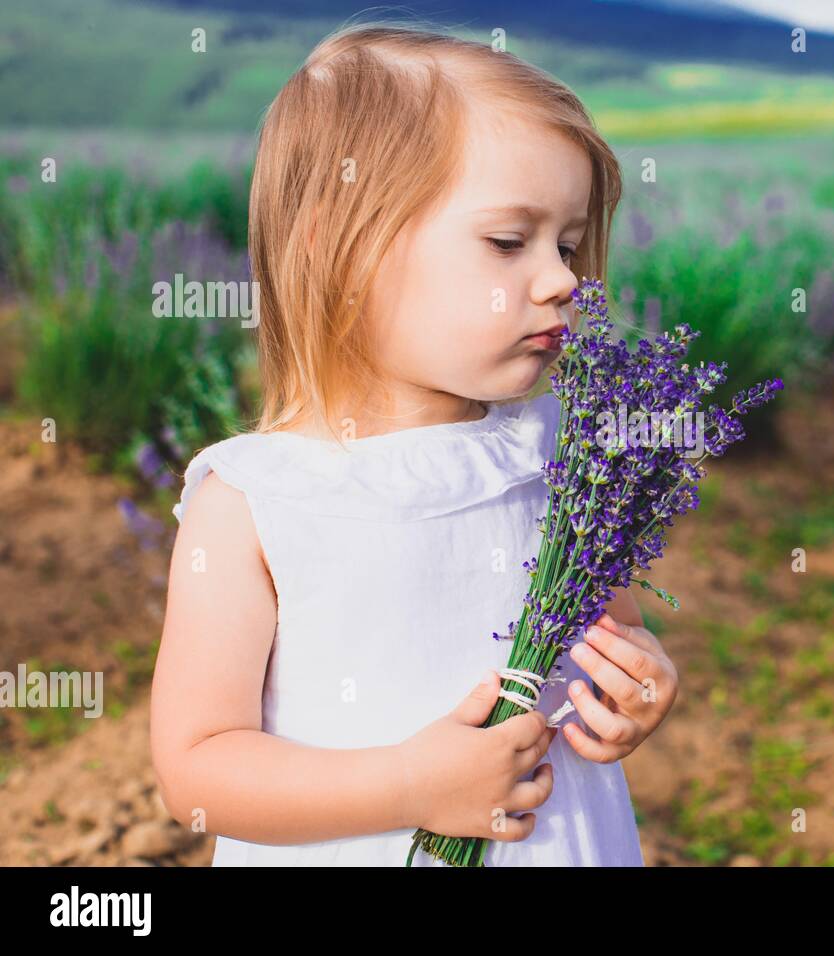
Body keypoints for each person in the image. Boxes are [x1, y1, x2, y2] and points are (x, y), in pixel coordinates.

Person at [149, 23, 678, 866]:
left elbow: (613, 635)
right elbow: (199, 770)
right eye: (510, 241)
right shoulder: (256, 503)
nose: (563, 280)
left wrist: (637, 684)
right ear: (343, 249)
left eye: (569, 245)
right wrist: (409, 785)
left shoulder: (560, 461)